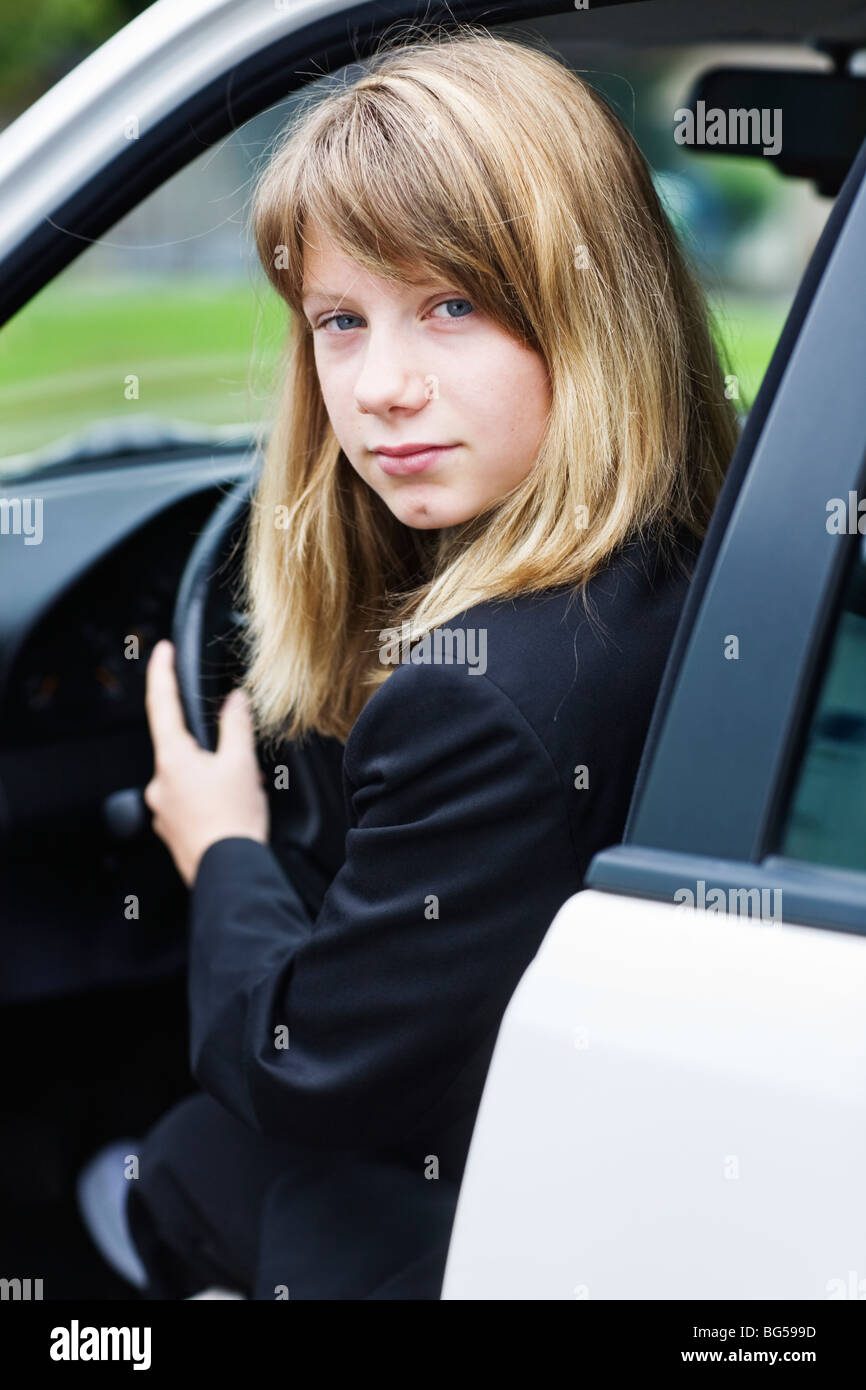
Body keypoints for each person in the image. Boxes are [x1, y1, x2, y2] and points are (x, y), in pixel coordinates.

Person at [122, 23, 739, 1299]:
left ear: (587, 306)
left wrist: (222, 844)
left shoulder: (474, 694)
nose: (380, 387)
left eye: (449, 305)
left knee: (184, 1157)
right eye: (338, 321)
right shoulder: (702, 544)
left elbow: (304, 1062)